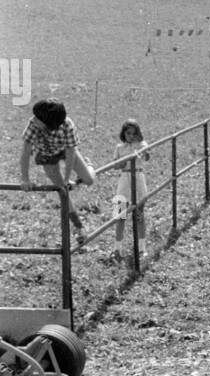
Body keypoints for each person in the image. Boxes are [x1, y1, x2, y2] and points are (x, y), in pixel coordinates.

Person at [19, 99, 96, 246]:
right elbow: (25, 153)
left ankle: (89, 166)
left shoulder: (67, 125)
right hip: (47, 156)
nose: (33, 119)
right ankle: (80, 227)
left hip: (65, 151)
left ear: (50, 123)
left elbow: (71, 154)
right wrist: (25, 179)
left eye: (38, 118)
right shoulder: (33, 125)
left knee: (89, 180)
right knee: (63, 193)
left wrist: (67, 179)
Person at [112, 118, 150, 261]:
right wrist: (121, 163)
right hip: (124, 180)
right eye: (128, 133)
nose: (131, 136)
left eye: (134, 133)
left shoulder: (141, 144)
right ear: (124, 133)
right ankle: (117, 248)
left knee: (139, 214)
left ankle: (142, 248)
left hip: (138, 178)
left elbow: (146, 157)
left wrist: (143, 151)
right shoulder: (119, 147)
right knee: (120, 214)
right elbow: (115, 165)